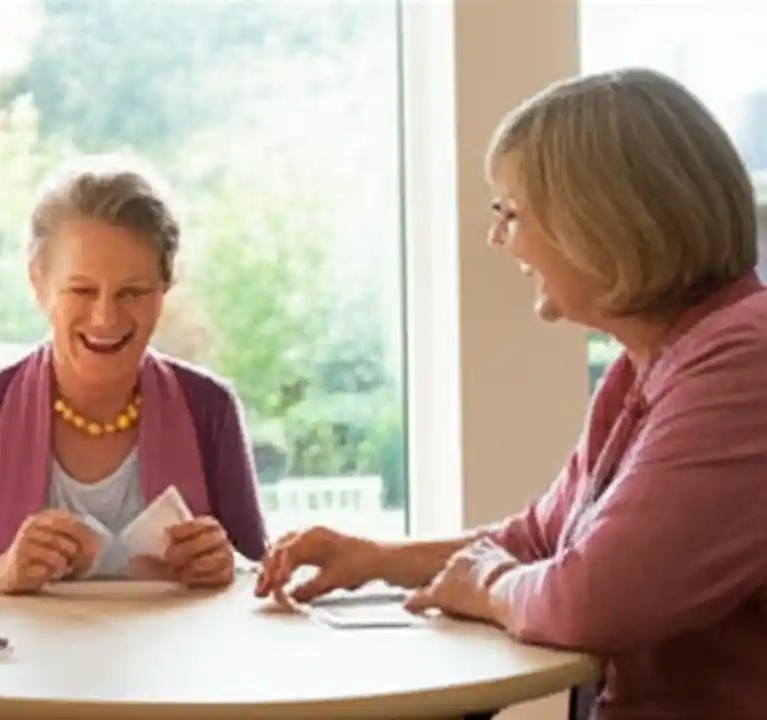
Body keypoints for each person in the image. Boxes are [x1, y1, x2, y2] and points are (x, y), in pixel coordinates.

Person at [256, 68, 767, 718]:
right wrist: (376, 557)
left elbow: (592, 600)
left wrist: (488, 587)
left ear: (601, 218)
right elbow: (541, 541)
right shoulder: (647, 368)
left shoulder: (747, 364)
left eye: (513, 213)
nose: (501, 240)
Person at [0, 157, 267, 594]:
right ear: (39, 285)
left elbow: (259, 583)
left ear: (164, 290)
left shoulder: (211, 409)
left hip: (173, 662)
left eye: (133, 292)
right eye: (82, 290)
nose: (105, 317)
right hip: (17, 663)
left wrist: (229, 566)